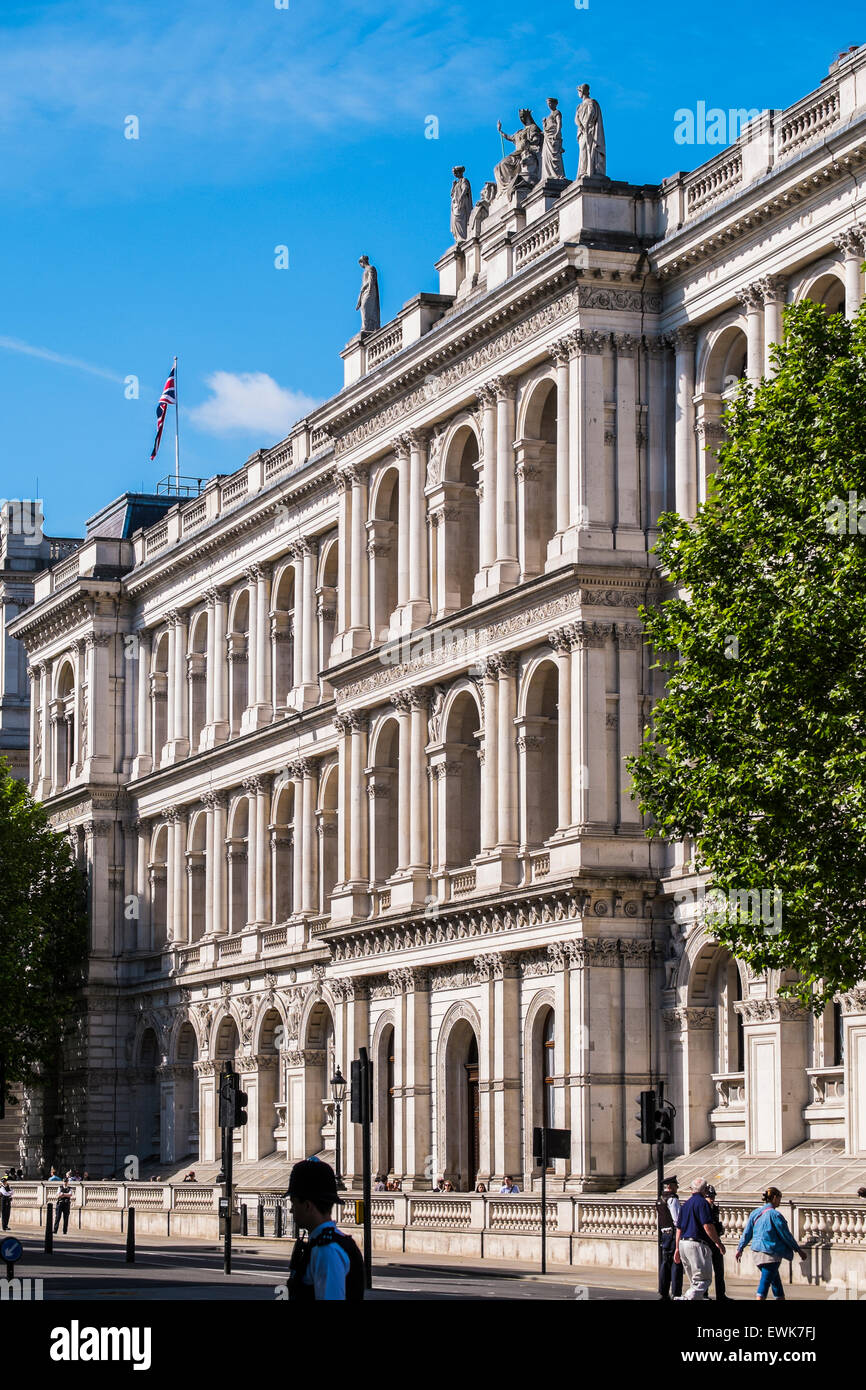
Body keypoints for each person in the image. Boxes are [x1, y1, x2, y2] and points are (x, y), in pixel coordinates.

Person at [287, 1158, 364, 1302]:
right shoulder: (324, 1243)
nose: (291, 1210)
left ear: (308, 1206)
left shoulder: (326, 1249)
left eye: (294, 1203)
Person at [736, 1187, 806, 1300]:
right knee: (765, 1284)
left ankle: (780, 1297)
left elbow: (747, 1233)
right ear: (774, 1198)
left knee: (775, 1282)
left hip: (756, 1252)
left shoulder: (755, 1213)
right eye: (779, 1198)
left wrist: (740, 1248)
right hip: (770, 1253)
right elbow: (786, 1235)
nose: (780, 1201)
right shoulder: (775, 1215)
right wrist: (798, 1250)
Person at [674, 1178, 725, 1299]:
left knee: (694, 1281)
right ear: (705, 1189)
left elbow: (679, 1229)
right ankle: (685, 1298)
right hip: (697, 1245)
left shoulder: (685, 1204)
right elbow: (707, 1225)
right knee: (703, 1280)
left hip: (683, 1244)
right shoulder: (702, 1203)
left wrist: (677, 1248)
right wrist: (718, 1242)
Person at [657, 1175, 683, 1300]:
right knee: (676, 1263)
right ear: (670, 1186)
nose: (677, 1187)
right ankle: (676, 1292)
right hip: (672, 1235)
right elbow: (677, 1220)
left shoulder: (660, 1199)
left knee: (665, 1263)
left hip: (664, 1234)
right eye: (676, 1185)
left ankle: (663, 1292)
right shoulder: (672, 1199)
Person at [705, 1184, 729, 1300]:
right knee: (706, 1270)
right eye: (710, 1197)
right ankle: (704, 1294)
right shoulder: (703, 1208)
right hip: (706, 1242)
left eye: (713, 1197)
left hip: (716, 1240)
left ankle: (721, 1294)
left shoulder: (714, 1208)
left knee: (719, 1270)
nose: (712, 1200)